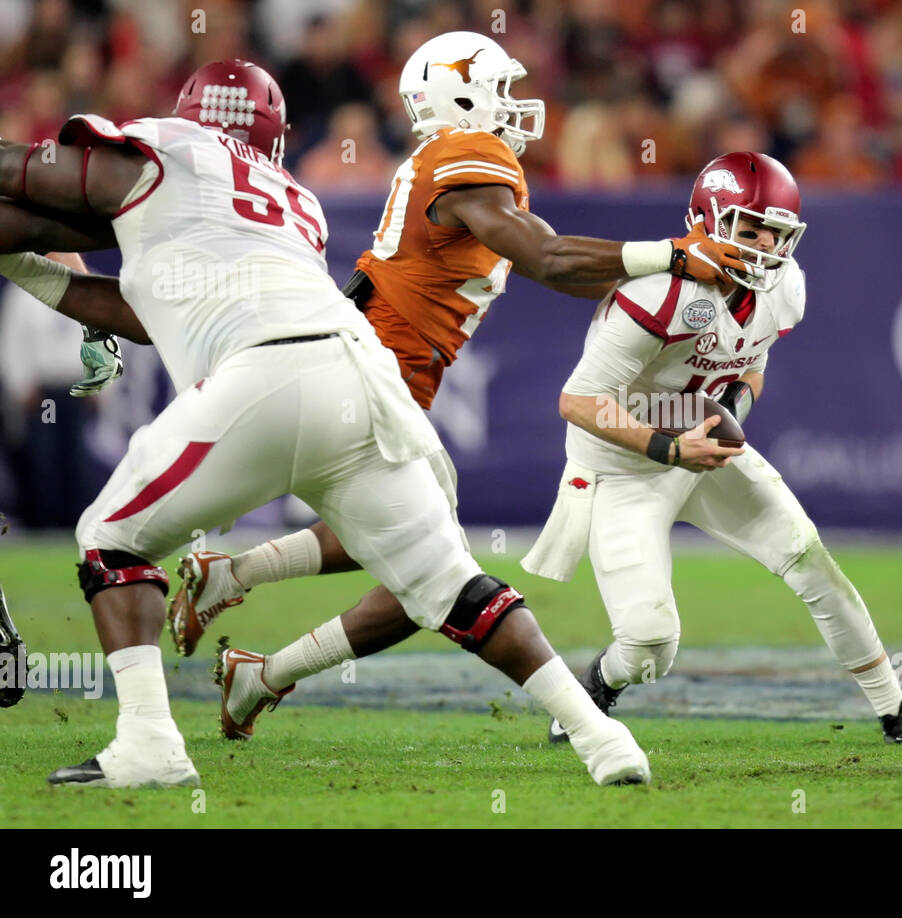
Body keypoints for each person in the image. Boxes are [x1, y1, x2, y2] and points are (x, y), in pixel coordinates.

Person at [0, 57, 651, 788]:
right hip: (362, 375)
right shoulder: (293, 199)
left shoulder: (168, 150)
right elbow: (145, 307)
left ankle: (150, 741)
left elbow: (30, 178)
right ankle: (606, 741)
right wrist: (31, 264)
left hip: (265, 377)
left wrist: (23, 245)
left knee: (111, 538)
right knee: (449, 584)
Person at [162, 34, 744, 738]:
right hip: (365, 374)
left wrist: (669, 270)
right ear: (460, 96)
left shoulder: (469, 168)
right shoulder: (464, 153)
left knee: (413, 557)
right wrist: (676, 253)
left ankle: (246, 628)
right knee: (435, 573)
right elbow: (549, 260)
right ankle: (250, 643)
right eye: (501, 87)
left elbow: (570, 268)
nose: (516, 103)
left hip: (372, 375)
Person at [525, 152, 902, 746]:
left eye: (777, 233)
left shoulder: (782, 289)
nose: (765, 246)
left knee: (810, 560)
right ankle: (601, 683)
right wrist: (670, 448)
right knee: (651, 645)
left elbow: (750, 363)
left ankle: (897, 714)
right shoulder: (661, 292)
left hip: (703, 450)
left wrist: (733, 414)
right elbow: (577, 401)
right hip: (624, 464)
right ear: (706, 220)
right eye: (750, 229)